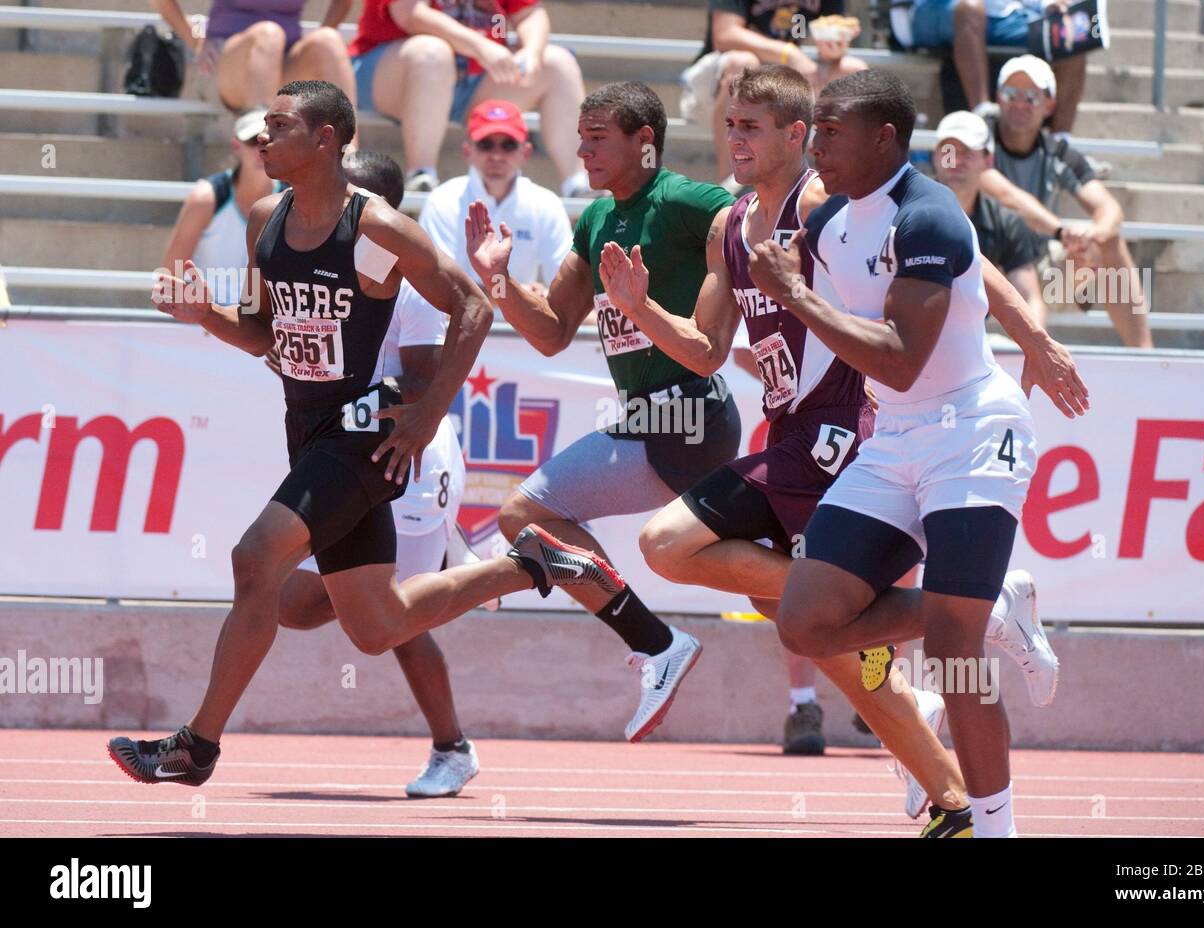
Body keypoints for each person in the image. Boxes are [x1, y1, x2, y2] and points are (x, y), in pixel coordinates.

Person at [602, 64, 1080, 830]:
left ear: (799, 137)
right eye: (728, 125)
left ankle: (976, 757)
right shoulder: (735, 227)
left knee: (676, 548)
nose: (735, 140)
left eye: (752, 126)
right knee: (806, 619)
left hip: (851, 425)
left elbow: (966, 269)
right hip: (820, 428)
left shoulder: (827, 205)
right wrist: (640, 309)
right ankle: (947, 776)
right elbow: (703, 350)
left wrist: (1038, 338)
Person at [108, 80, 620, 787]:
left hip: (364, 437)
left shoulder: (375, 228)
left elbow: (471, 307)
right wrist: (206, 315)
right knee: (377, 628)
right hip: (308, 427)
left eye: (277, 127)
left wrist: (426, 414)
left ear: (325, 140)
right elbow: (268, 338)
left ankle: (196, 747)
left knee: (256, 560)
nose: (260, 140)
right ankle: (533, 563)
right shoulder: (263, 218)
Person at [742, 68, 1081, 837]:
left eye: (832, 130)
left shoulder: (926, 217)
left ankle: (993, 828)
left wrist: (796, 295)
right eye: (814, 128)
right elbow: (852, 330)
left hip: (970, 429)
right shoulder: (830, 223)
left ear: (884, 137)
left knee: (953, 651)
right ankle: (994, 606)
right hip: (891, 436)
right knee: (805, 622)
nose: (816, 143)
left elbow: (898, 356)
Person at [465, 81, 745, 743]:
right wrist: (498, 282)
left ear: (643, 142)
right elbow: (553, 331)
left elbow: (741, 225)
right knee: (771, 584)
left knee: (524, 514)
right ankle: (901, 666)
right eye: (580, 136)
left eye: (598, 137)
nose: (582, 148)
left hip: (687, 416)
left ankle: (656, 644)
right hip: (663, 425)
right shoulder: (593, 220)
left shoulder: (687, 201)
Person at [268, 149, 478, 798]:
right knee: (296, 606)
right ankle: (473, 568)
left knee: (390, 625)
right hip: (349, 448)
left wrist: (368, 415)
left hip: (403, 455)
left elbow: (416, 378)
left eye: (343, 194)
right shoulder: (325, 262)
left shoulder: (406, 276)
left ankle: (453, 747)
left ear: (380, 208)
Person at [981, 56, 1152, 348]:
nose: (1020, 103)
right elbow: (1003, 192)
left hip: (1036, 268)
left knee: (1107, 243)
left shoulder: (1058, 152)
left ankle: (1146, 356)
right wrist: (1062, 231)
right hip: (984, 262)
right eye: (1011, 94)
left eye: (1032, 97)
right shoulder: (980, 137)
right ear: (998, 98)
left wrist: (1088, 238)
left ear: (1049, 106)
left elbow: (1110, 209)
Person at [345, 0, 590, 195]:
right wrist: (480, 45)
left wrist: (532, 52)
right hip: (393, 72)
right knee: (433, 53)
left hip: (473, 80)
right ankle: (421, 174)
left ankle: (577, 183)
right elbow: (410, 14)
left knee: (557, 63)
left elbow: (530, 13)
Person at [681, 2, 867, 187]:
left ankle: (842, 186)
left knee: (852, 70)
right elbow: (725, 34)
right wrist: (790, 53)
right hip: (714, 86)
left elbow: (819, 32)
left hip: (780, 78)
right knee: (743, 63)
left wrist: (832, 49)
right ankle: (731, 191)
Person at [408, 100, 571, 292]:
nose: (496, 155)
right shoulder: (442, 200)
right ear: (468, 151)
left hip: (519, 321)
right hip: (459, 320)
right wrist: (514, 294)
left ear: (525, 152)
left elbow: (566, 289)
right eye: (486, 144)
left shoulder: (547, 204)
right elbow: (439, 285)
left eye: (508, 145)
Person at [892, 1, 1086, 134]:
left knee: (1074, 38)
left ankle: (1060, 146)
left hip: (1005, 14)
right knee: (970, 7)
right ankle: (984, 115)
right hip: (934, 10)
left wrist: (1046, 4)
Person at [931, 110, 1048, 327]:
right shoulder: (904, 210)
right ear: (935, 156)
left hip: (970, 339)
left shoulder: (1006, 223)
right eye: (948, 150)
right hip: (910, 333)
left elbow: (1030, 299)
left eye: (967, 152)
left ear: (988, 161)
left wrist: (1036, 346)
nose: (955, 160)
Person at [150, 0, 356, 111]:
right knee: (268, 35)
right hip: (227, 64)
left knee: (328, 41)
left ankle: (351, 163)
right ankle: (266, 152)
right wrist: (195, 41)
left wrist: (316, 37)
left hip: (283, 63)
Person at [160, 108, 273, 306]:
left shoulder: (293, 197)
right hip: (206, 321)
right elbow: (170, 278)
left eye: (267, 141)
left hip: (262, 323)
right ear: (236, 146)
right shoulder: (205, 198)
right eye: (253, 141)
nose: (260, 149)